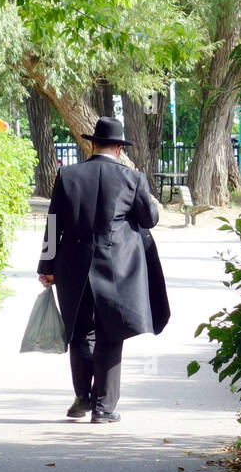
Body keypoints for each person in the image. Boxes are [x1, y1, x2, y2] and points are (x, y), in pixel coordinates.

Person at [37, 117, 169, 423]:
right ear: (120, 148)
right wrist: (143, 184)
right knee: (112, 335)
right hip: (117, 269)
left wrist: (46, 265)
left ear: (92, 143)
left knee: (81, 333)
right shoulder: (131, 179)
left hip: (72, 268)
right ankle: (103, 408)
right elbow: (149, 219)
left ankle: (83, 396)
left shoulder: (67, 175)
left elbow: (53, 222)